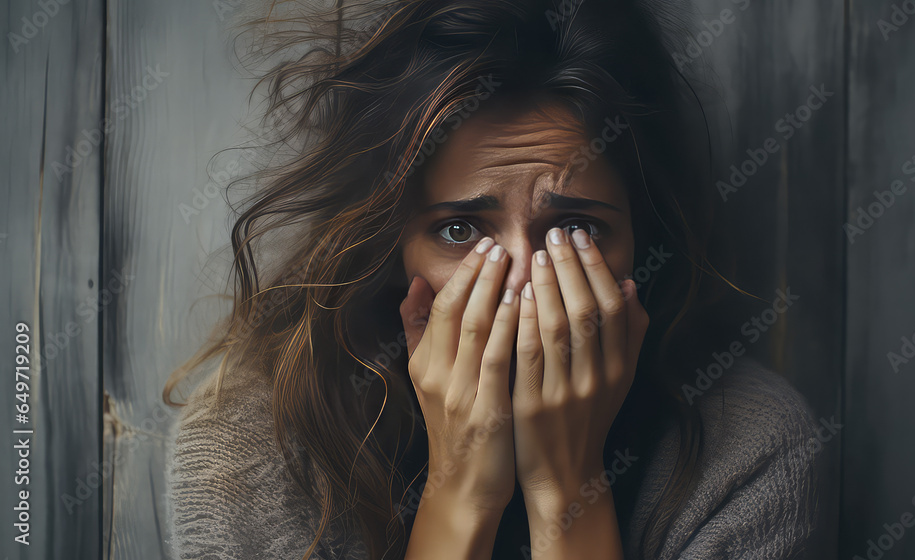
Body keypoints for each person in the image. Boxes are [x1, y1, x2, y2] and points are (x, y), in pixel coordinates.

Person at [163, 0, 821, 558]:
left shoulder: (746, 452)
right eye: (460, 231)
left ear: (644, 242)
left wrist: (569, 491)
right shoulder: (254, 452)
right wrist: (460, 494)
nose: (520, 286)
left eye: (575, 231)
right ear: (391, 249)